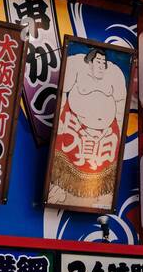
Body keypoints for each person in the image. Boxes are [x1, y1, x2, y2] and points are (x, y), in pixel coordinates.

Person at [47, 47, 127, 209]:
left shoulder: (115, 73)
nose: (101, 66)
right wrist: (60, 125)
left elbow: (120, 102)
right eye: (98, 61)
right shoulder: (75, 65)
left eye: (103, 62)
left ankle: (103, 194)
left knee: (104, 165)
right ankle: (58, 188)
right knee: (65, 159)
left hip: (106, 132)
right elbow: (62, 91)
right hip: (75, 126)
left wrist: (118, 129)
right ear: (89, 62)